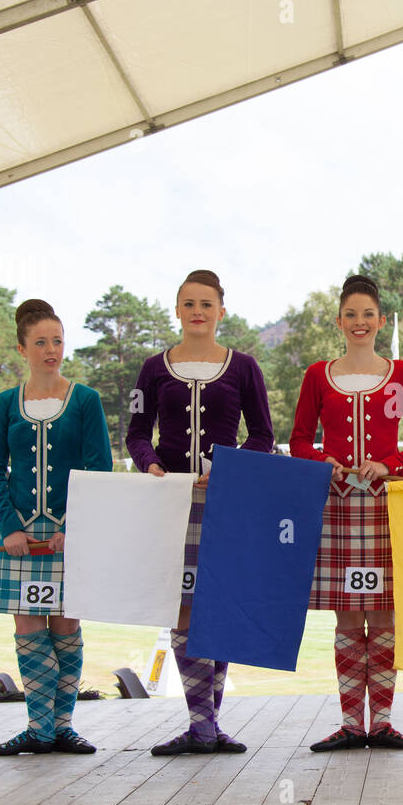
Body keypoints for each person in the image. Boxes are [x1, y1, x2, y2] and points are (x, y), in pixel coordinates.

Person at [289, 274, 403, 751]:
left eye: (368, 314)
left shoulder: (402, 374)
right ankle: (353, 723)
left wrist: (390, 464)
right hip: (335, 507)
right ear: (339, 321)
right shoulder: (317, 375)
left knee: (385, 617)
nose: (359, 322)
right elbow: (297, 441)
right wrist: (324, 463)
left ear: (380, 320)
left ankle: (384, 723)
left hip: (384, 507)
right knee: (348, 619)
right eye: (351, 314)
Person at [127, 269, 274, 756]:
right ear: (177, 310)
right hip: (170, 500)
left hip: (227, 501)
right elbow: (135, 432)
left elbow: (263, 436)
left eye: (206, 304)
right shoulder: (152, 368)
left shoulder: (244, 367)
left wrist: (230, 467)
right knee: (184, 606)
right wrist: (149, 464)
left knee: (219, 607)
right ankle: (202, 726)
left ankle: (206, 726)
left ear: (221, 312)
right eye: (189, 303)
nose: (197, 312)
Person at [0, 300, 113, 756]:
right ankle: (39, 729)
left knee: (65, 626)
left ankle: (62, 727)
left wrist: (76, 525)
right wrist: (10, 528)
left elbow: (100, 468)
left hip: (67, 534)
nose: (51, 350)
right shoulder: (6, 403)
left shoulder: (85, 400)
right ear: (22, 348)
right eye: (41, 342)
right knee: (28, 630)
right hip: (21, 537)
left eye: (57, 341)